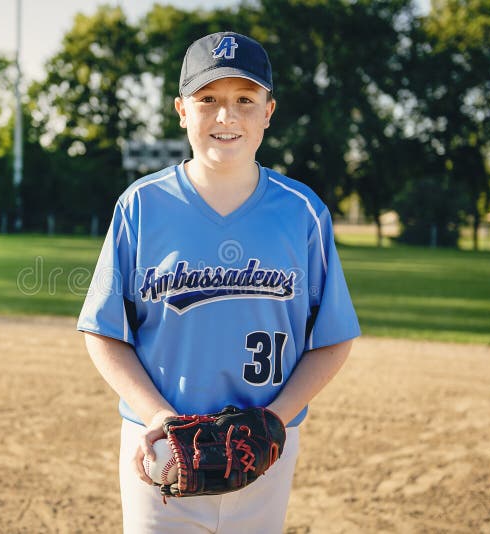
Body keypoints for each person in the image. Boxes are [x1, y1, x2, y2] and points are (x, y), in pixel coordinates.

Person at [77, 31, 360, 533]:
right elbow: (104, 330)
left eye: (244, 100)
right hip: (160, 442)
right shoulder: (141, 206)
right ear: (182, 110)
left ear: (268, 112)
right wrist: (156, 415)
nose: (226, 116)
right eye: (208, 99)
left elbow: (332, 338)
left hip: (266, 447)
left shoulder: (303, 213)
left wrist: (276, 420)